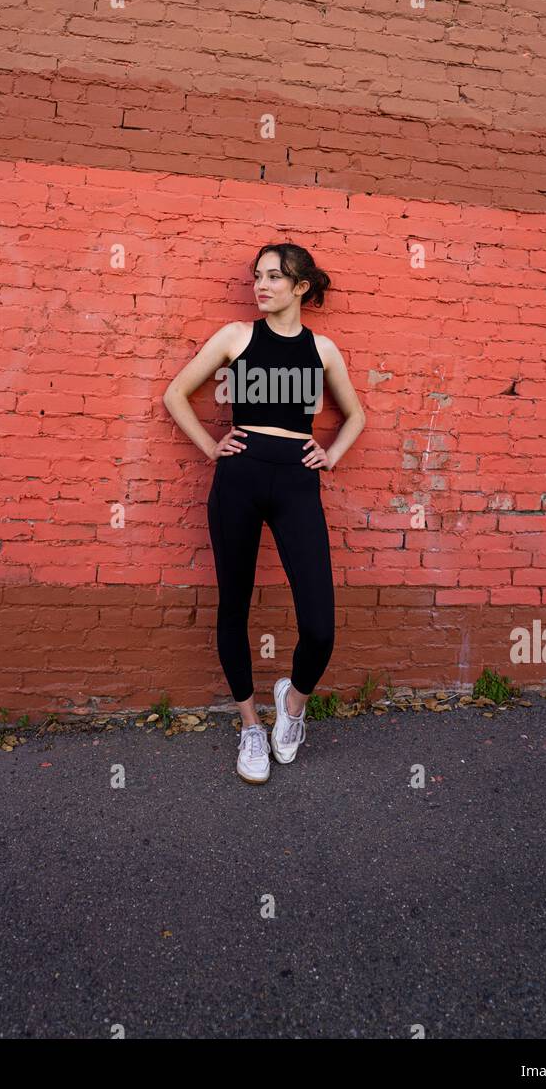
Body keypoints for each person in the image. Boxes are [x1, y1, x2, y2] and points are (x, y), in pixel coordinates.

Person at [163, 242, 367, 783]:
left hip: (298, 483)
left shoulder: (322, 349)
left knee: (319, 626)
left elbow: (356, 415)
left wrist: (332, 455)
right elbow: (175, 394)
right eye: (258, 276)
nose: (262, 285)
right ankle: (251, 726)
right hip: (240, 477)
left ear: (302, 287)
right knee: (233, 606)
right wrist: (212, 450)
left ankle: (293, 705)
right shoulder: (236, 336)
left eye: (275, 277)